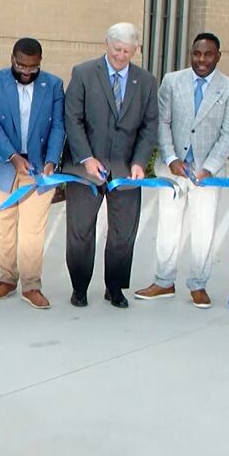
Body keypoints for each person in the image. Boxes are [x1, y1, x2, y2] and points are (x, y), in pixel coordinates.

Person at [134, 32, 229, 308]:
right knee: (167, 227)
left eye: (208, 54)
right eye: (197, 54)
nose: (202, 59)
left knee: (203, 228)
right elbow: (162, 123)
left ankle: (198, 284)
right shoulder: (172, 82)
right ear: (190, 54)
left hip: (207, 174)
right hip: (173, 170)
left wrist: (209, 167)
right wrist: (171, 159)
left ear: (218, 56)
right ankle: (163, 281)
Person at [63, 22, 158, 309]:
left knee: (123, 232)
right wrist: (86, 157)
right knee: (80, 231)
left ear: (135, 50)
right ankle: (79, 287)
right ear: (106, 43)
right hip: (85, 168)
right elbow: (72, 119)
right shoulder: (83, 73)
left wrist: (140, 161)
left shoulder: (146, 81)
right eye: (117, 50)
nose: (121, 56)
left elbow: (149, 125)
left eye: (128, 52)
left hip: (126, 169)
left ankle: (115, 287)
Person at [0, 37, 65, 309]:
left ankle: (31, 285)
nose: (26, 71)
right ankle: (7, 279)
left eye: (32, 67)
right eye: (21, 65)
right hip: (2, 163)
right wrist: (13, 157)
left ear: (40, 63)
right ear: (12, 58)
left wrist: (51, 161)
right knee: (4, 224)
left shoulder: (54, 84)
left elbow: (59, 126)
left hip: (38, 166)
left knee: (33, 229)